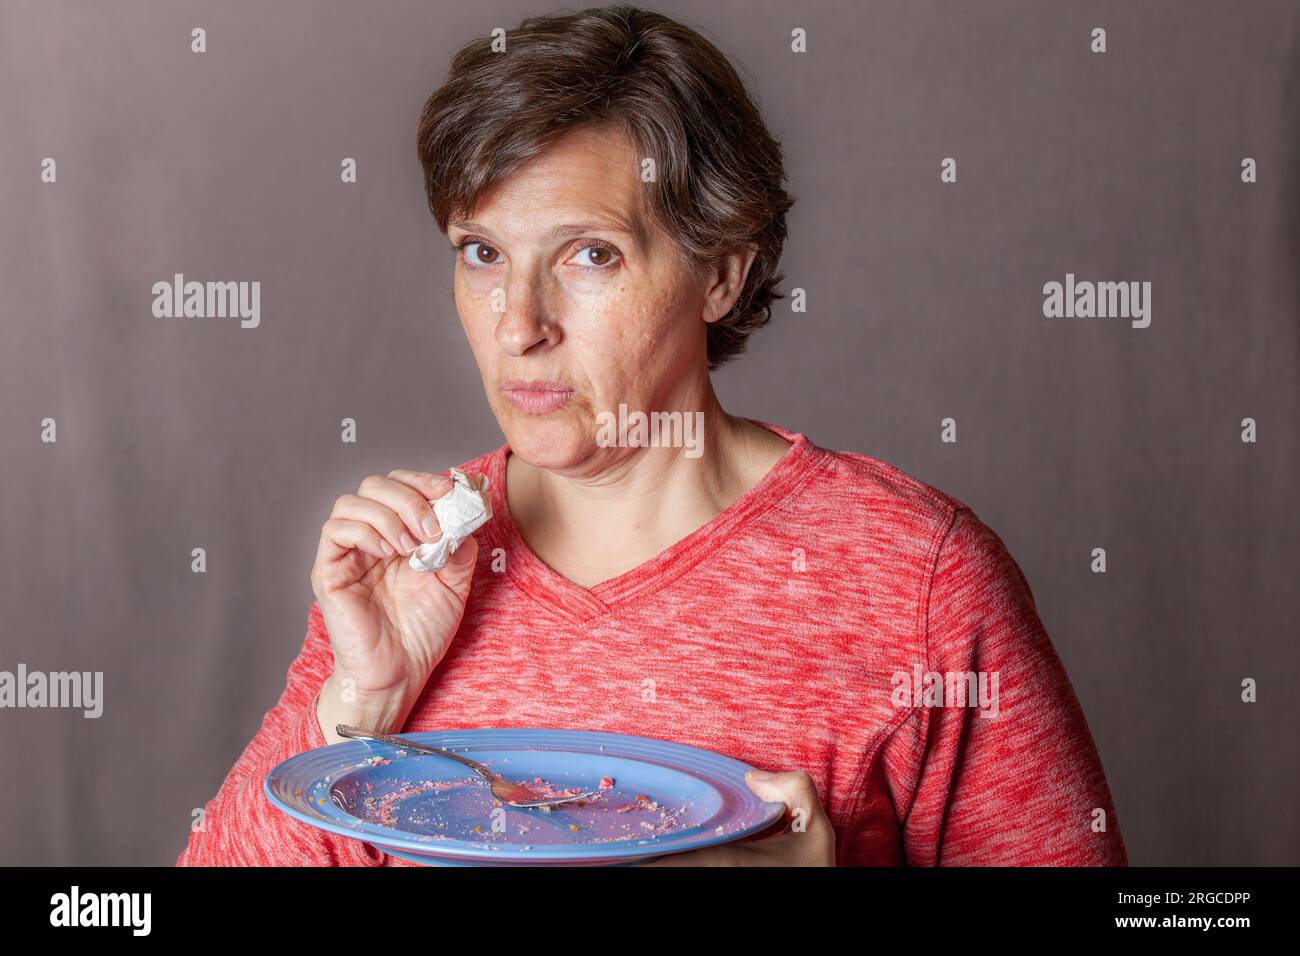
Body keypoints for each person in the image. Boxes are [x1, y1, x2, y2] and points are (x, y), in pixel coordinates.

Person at [177, 4, 1126, 867]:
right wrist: (360, 708)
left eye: (591, 254)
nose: (519, 324)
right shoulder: (416, 562)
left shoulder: (918, 581)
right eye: (483, 254)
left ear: (721, 275)